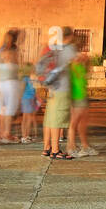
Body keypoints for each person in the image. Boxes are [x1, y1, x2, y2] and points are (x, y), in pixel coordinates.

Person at [42, 29, 77, 159]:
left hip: (52, 88)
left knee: (50, 118)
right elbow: (77, 65)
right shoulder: (68, 49)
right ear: (70, 36)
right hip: (62, 88)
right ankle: (56, 150)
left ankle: (47, 147)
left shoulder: (53, 48)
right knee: (57, 119)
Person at [0, 30, 22, 143]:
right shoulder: (12, 52)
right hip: (10, 83)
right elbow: (16, 68)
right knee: (9, 109)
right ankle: (6, 134)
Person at [67, 51, 95, 157]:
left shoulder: (82, 67)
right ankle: (71, 147)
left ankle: (85, 146)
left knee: (83, 124)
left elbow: (87, 72)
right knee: (73, 123)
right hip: (75, 98)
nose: (81, 57)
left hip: (83, 97)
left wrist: (87, 60)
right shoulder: (71, 68)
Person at [20, 71, 39, 142]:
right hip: (26, 98)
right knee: (26, 117)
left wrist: (35, 99)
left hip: (31, 98)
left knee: (29, 117)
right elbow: (22, 89)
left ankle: (27, 135)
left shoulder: (33, 78)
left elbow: (34, 89)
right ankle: (24, 136)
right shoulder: (25, 78)